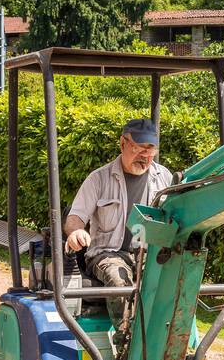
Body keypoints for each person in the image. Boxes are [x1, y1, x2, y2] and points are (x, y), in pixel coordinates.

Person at [63, 118, 173, 339]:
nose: (146, 156)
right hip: (107, 254)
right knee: (118, 279)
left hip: (148, 254)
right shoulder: (99, 179)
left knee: (176, 277)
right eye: (139, 148)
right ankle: (128, 346)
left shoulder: (165, 178)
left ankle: (171, 344)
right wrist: (76, 231)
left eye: (151, 150)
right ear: (123, 143)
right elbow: (74, 217)